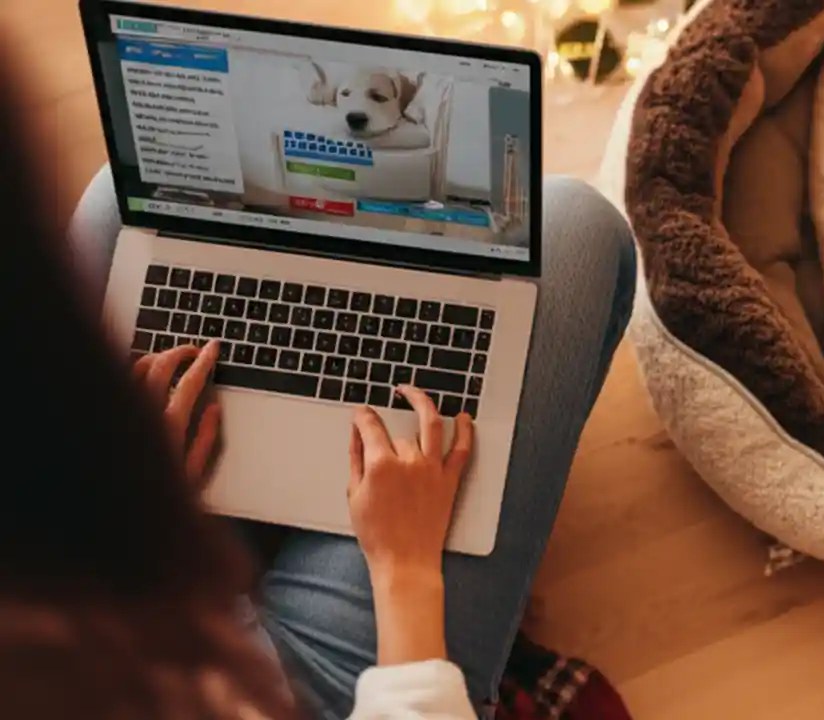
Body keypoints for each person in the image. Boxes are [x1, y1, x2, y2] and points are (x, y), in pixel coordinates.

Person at [0, 47, 635, 720]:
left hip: (141, 607)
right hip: (310, 696)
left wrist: (128, 526)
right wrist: (408, 572)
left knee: (118, 196)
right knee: (576, 223)